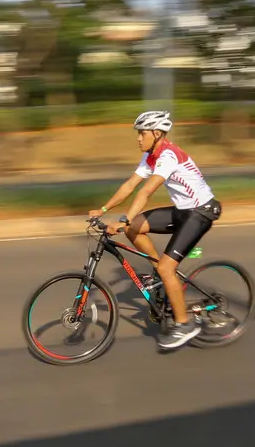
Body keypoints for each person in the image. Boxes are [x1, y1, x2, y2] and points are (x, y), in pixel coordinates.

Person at [89, 111, 223, 350]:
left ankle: (184, 324)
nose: (138, 138)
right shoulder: (150, 156)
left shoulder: (168, 155)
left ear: (157, 134)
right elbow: (130, 185)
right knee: (135, 229)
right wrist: (103, 209)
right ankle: (160, 275)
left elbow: (145, 191)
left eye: (142, 133)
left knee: (165, 265)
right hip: (183, 210)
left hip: (201, 212)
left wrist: (124, 219)